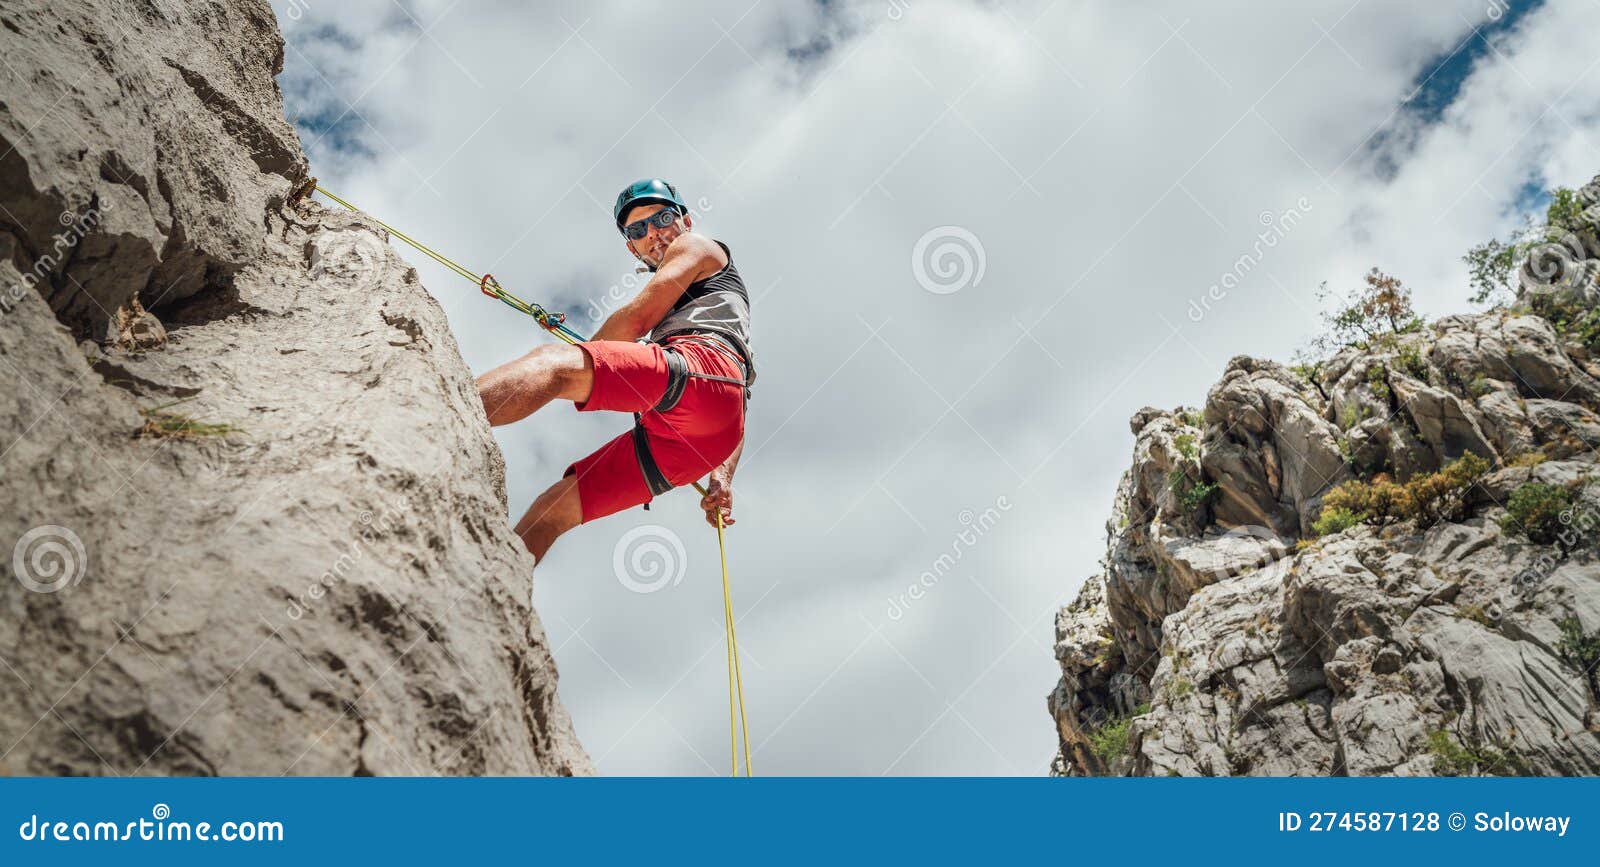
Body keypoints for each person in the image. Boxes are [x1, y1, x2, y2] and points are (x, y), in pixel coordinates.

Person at [475, 178, 755, 562]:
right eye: (638, 229)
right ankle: (494, 585)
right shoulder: (708, 306)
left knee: (553, 365)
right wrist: (721, 477)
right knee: (553, 508)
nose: (653, 233)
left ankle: (435, 414)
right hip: (708, 430)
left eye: (663, 218)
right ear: (631, 246)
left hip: (699, 372)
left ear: (686, 221)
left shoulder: (696, 246)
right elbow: (735, 399)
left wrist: (582, 355)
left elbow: (639, 319)